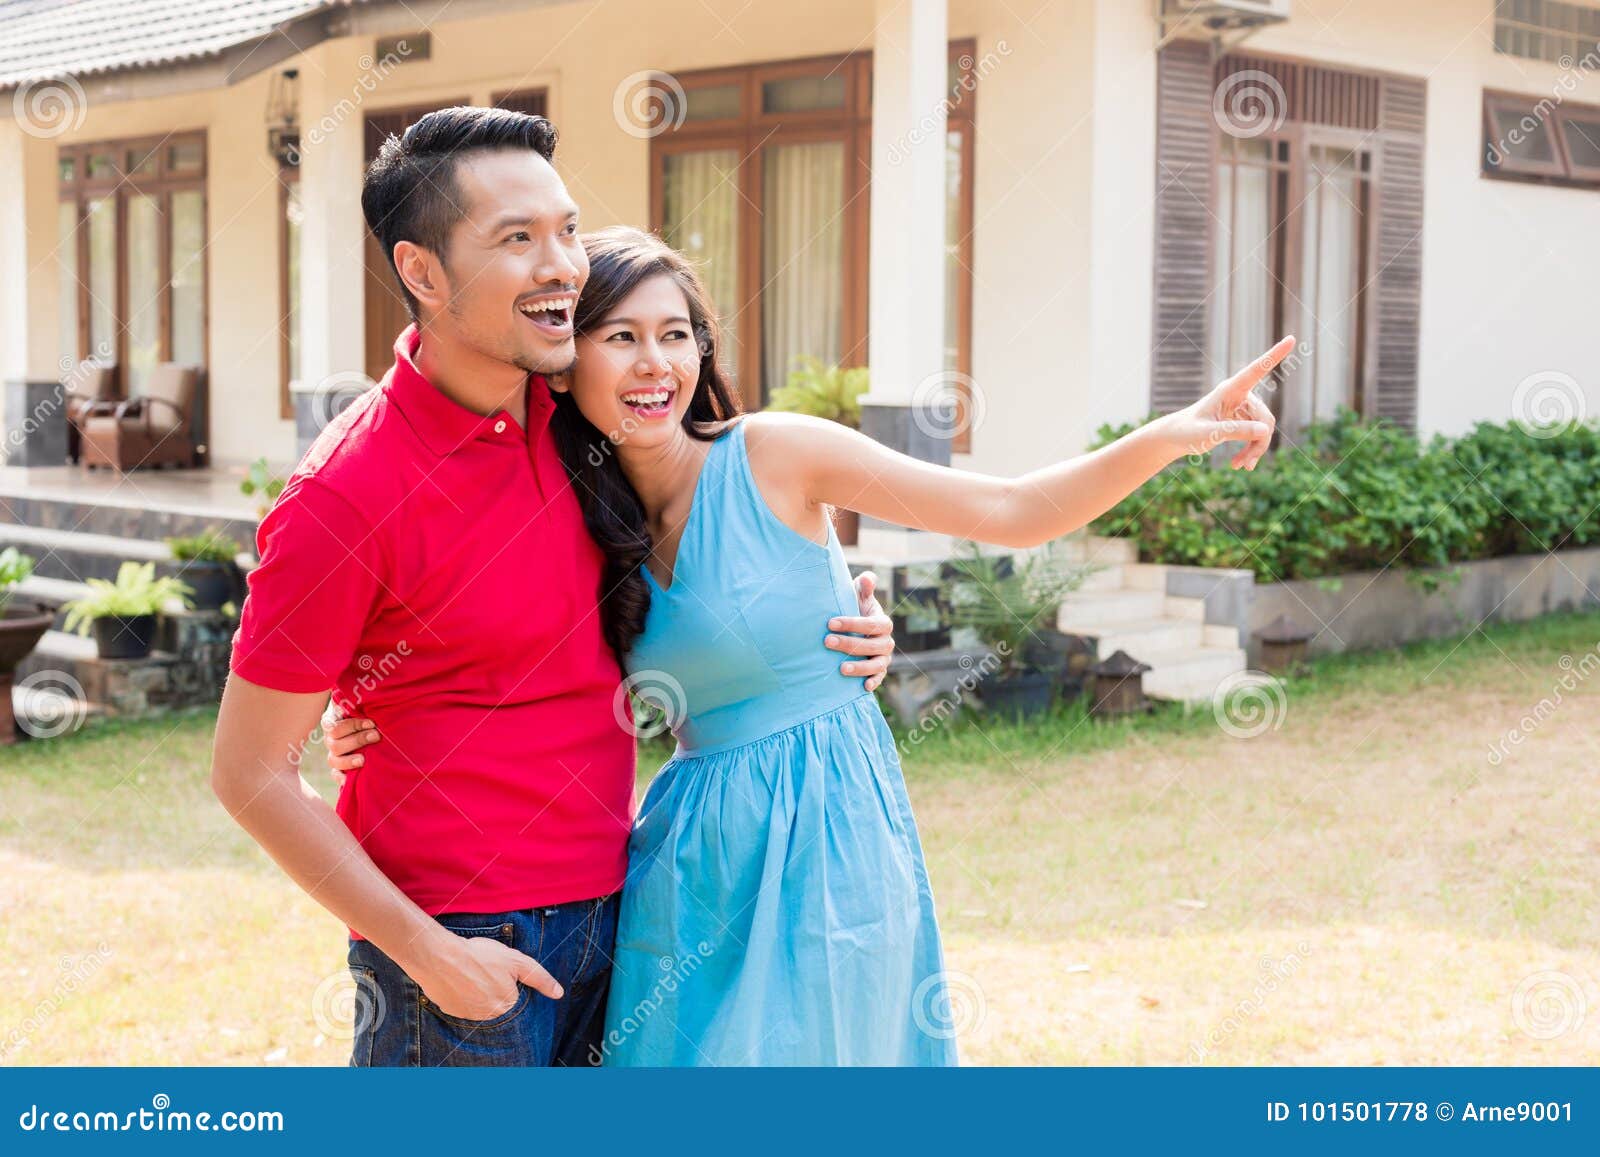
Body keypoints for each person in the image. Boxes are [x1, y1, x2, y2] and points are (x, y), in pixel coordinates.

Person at [325, 223, 1294, 1065]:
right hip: (688, 862)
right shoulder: (573, 512)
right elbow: (466, 626)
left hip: (827, 837)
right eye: (618, 336)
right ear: (566, 360)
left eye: (675, 335)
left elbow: (1010, 507)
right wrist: (362, 711)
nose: (653, 363)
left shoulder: (776, 455)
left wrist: (1173, 432)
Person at [209, 107, 897, 1069]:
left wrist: (835, 628)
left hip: (626, 913)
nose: (562, 265)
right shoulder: (345, 493)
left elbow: (716, 562)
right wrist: (431, 956)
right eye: (517, 239)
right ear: (422, 272)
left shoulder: (582, 422)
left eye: (567, 230)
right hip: (459, 947)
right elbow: (246, 772)